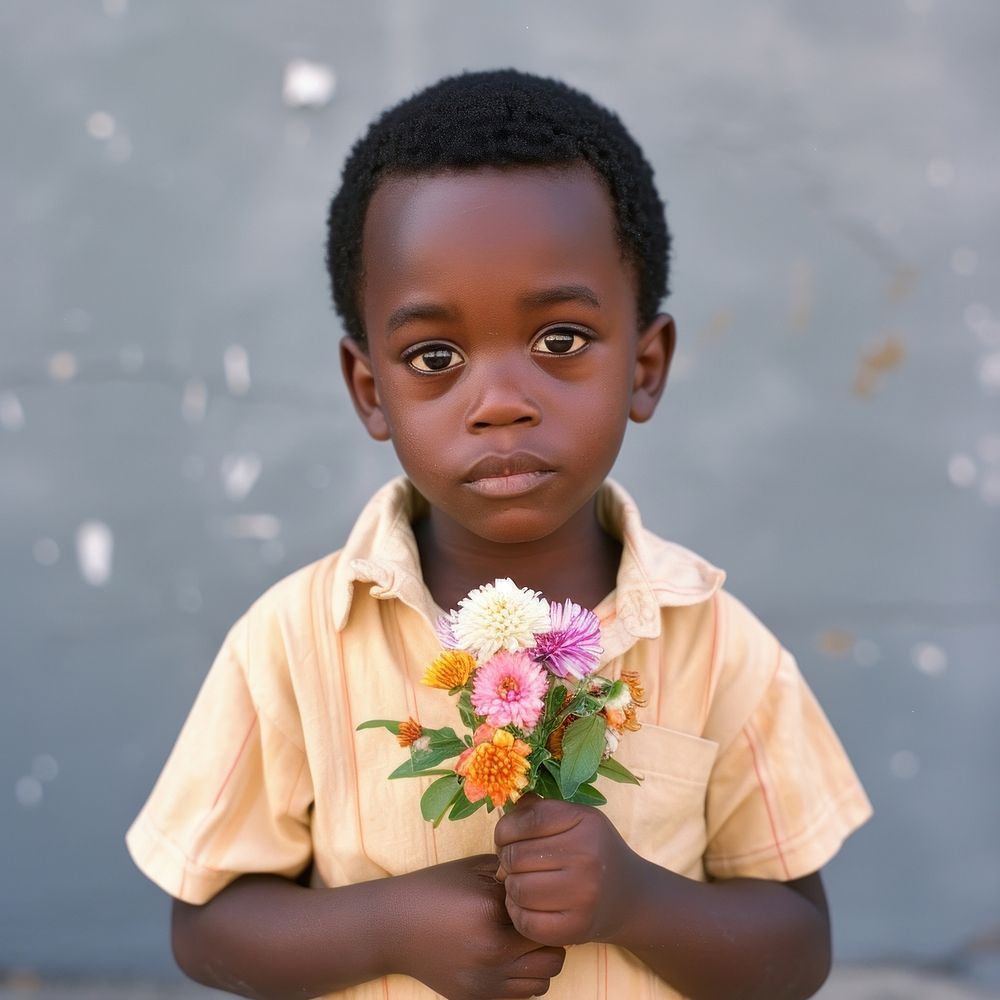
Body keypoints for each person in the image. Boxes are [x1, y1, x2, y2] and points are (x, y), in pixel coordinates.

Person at [127, 69, 872, 1000]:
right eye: (434, 357)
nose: (501, 402)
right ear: (371, 390)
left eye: (560, 341)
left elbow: (797, 948)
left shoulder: (719, 647)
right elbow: (205, 928)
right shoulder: (292, 643)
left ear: (645, 367)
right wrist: (389, 928)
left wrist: (637, 902)